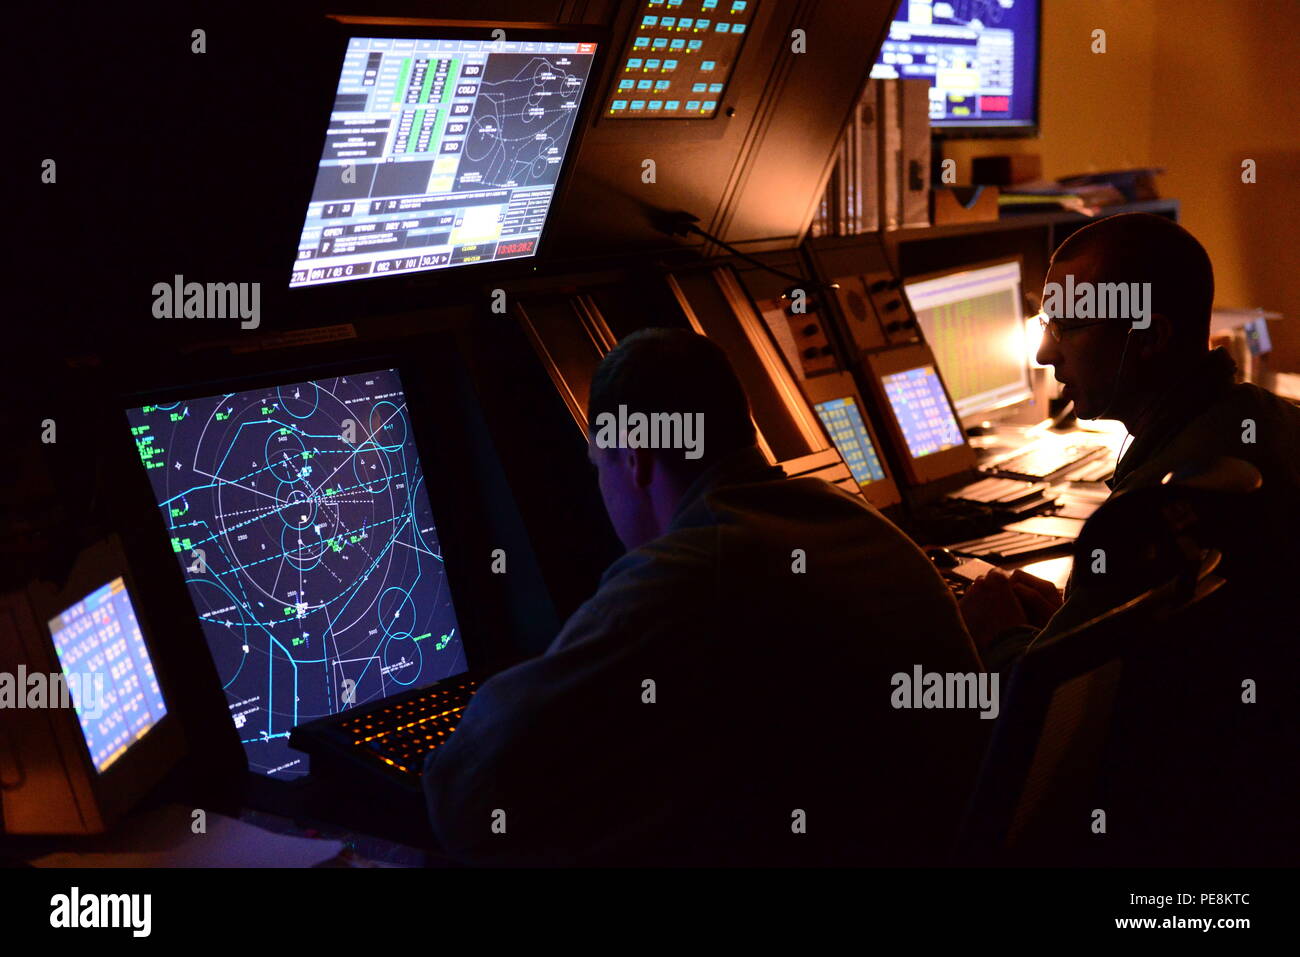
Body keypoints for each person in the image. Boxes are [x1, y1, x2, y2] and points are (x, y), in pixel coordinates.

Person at [424, 328, 991, 866]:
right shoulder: (858, 521)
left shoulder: (683, 574)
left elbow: (468, 796)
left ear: (636, 460)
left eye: (599, 464)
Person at [959, 213, 1300, 863]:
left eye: (1071, 327)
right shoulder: (1274, 424)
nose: (1045, 353)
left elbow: (1049, 739)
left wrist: (1001, 638)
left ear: (1150, 337)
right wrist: (1079, 625)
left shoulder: (1148, 513)